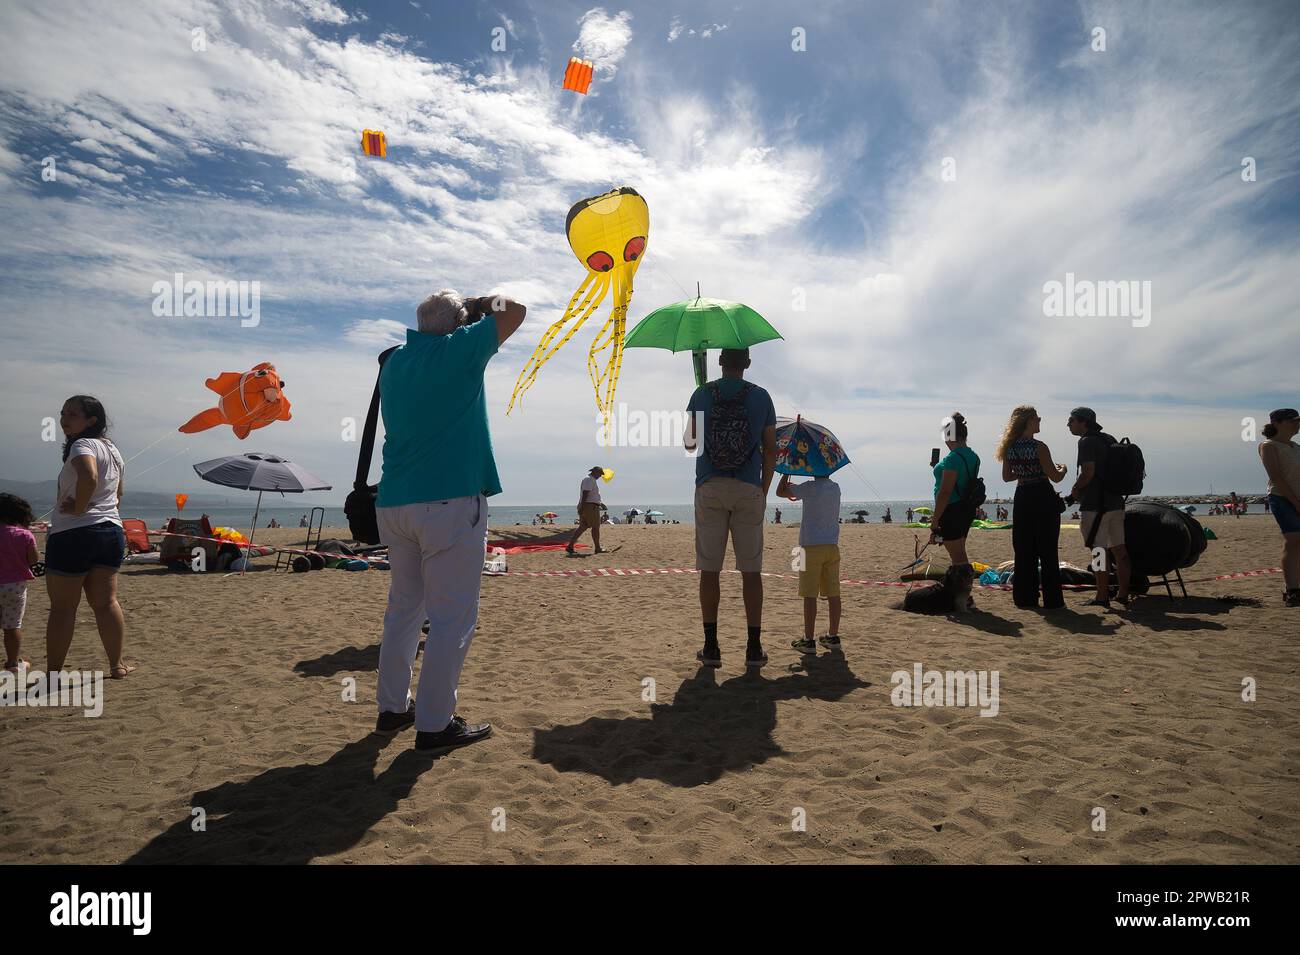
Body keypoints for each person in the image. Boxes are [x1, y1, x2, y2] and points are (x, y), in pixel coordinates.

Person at [373, 289, 526, 753]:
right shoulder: (459, 350)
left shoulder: (395, 362)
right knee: (451, 618)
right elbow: (515, 311)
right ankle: (435, 724)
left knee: (403, 610)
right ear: (457, 325)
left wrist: (466, 316)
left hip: (395, 499)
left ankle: (393, 707)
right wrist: (483, 303)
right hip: (449, 501)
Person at [684, 347, 777, 669]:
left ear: (721, 362)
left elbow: (690, 445)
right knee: (751, 572)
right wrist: (762, 490)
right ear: (747, 363)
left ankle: (711, 647)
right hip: (748, 487)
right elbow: (770, 450)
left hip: (710, 486)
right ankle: (753, 647)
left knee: (710, 570)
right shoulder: (762, 397)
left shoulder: (701, 393)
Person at [44, 396, 133, 678]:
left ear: (92, 421)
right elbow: (118, 494)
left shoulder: (82, 445)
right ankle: (117, 666)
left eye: (72, 414)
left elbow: (89, 476)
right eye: (62, 413)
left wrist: (80, 508)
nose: (64, 418)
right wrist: (97, 508)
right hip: (110, 531)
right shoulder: (113, 449)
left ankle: (54, 672)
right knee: (106, 603)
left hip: (73, 533)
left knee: (63, 608)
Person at [996, 406, 1068, 610]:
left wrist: (1024, 472)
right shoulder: (1039, 447)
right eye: (1037, 418)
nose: (1039, 421)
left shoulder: (1010, 447)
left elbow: (1007, 477)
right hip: (1042, 495)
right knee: (1047, 551)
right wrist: (1064, 469)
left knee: (1024, 550)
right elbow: (1055, 476)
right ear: (1028, 421)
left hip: (1022, 497)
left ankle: (1025, 599)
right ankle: (1053, 601)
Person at [1065, 407, 1130, 608]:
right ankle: (1123, 594)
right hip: (1116, 503)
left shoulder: (1086, 442)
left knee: (1098, 552)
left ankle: (1102, 596)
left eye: (1071, 420)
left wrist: (1073, 492)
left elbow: (1088, 472)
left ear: (1083, 422)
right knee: (1120, 550)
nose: (1068, 424)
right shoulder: (1108, 438)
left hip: (1095, 506)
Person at [778, 473, 842, 653]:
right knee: (833, 593)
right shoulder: (835, 488)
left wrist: (786, 473)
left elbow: (779, 492)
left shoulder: (808, 487)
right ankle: (833, 636)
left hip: (809, 546)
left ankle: (808, 639)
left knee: (809, 594)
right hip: (831, 545)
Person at [929, 412, 980, 582]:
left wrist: (935, 520)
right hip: (965, 508)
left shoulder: (952, 458)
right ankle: (962, 594)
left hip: (951, 509)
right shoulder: (973, 456)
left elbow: (945, 492)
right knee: (959, 552)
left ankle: (963, 595)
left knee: (958, 557)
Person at [1258, 408, 1300, 606]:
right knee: (1293, 540)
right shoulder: (1269, 446)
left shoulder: (1295, 447)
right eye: (1292, 421)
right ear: (1277, 423)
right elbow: (1277, 478)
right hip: (1281, 498)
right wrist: (1295, 502)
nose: (1296, 424)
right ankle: (1293, 590)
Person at [0, 493, 39, 673]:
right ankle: (13, 663)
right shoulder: (25, 535)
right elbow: (33, 560)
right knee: (12, 625)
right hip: (14, 586)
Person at [566, 467, 607, 555]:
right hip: (590, 507)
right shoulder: (589, 480)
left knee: (583, 526)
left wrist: (600, 503)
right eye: (600, 474)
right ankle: (597, 548)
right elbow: (585, 494)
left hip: (588, 506)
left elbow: (590, 495)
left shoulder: (590, 480)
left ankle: (570, 546)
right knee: (595, 527)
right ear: (595, 472)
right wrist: (582, 507)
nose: (600, 476)